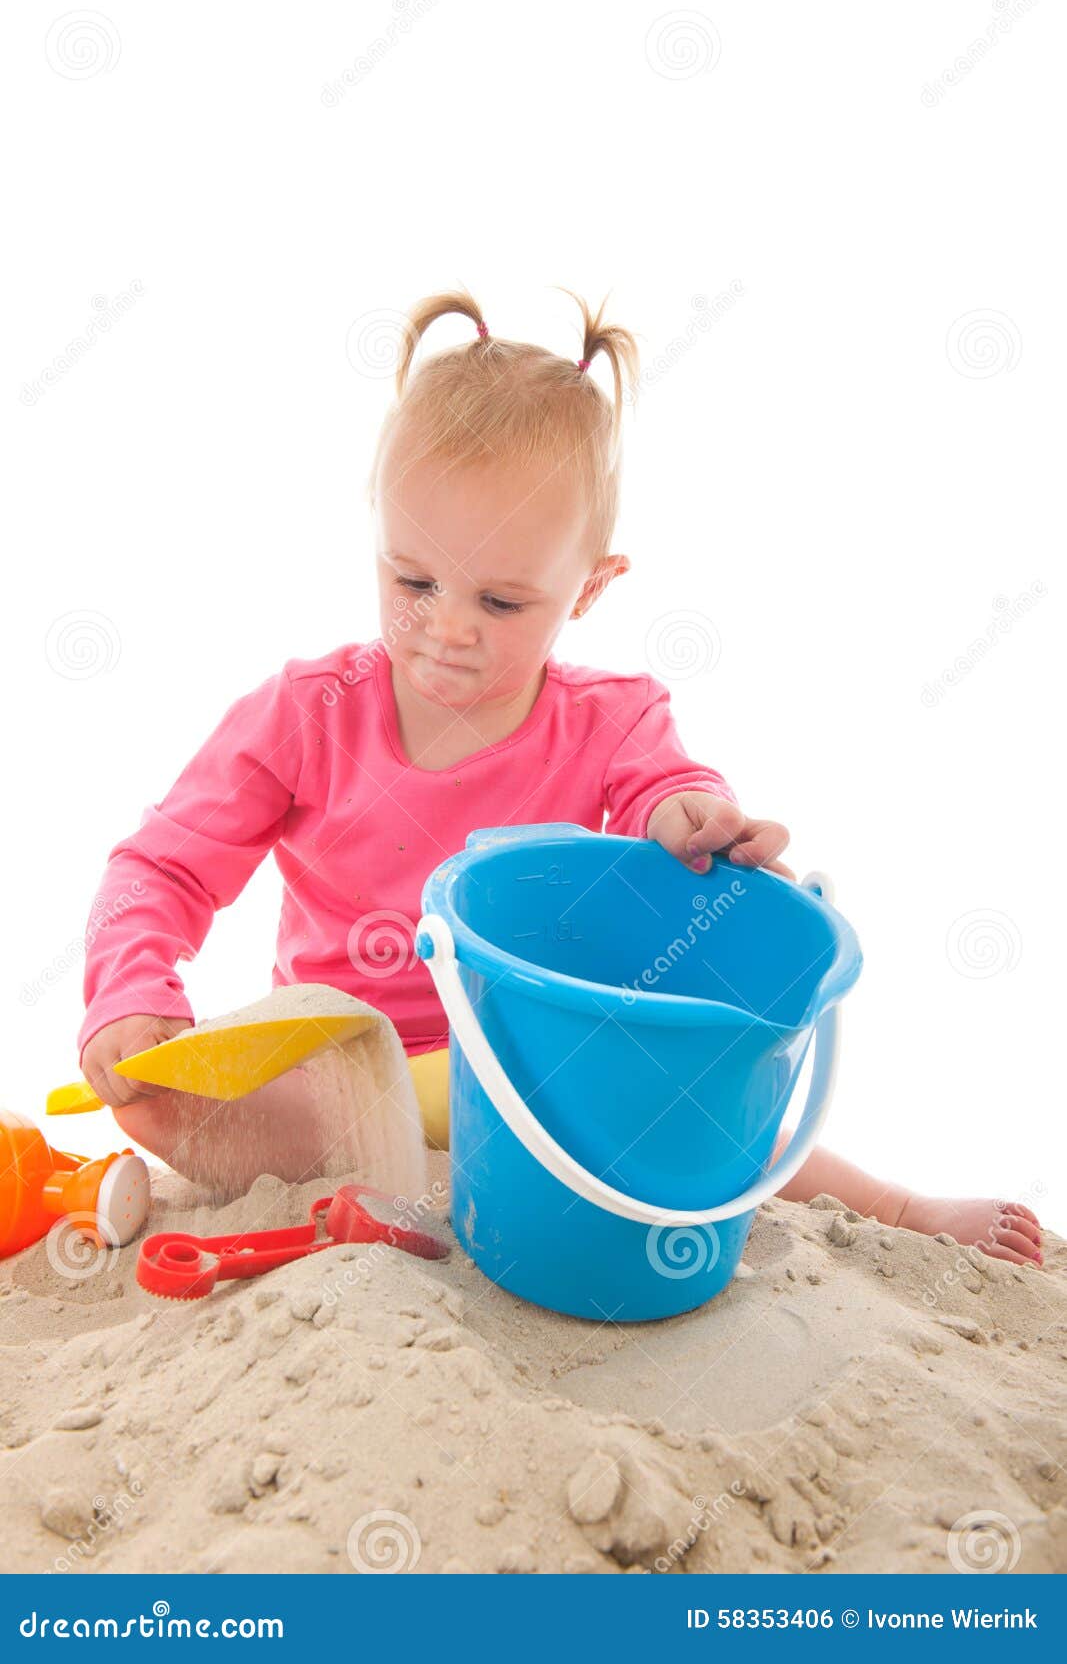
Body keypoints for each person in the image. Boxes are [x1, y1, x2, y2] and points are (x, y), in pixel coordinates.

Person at [78, 286, 1042, 1268]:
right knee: (148, 1093)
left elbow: (666, 791)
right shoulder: (305, 712)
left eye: (500, 602)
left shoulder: (611, 717)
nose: (446, 627)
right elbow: (161, 865)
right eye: (413, 581)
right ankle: (425, 1173)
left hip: (533, 1057)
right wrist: (131, 991)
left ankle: (896, 1204)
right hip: (341, 1071)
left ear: (588, 587)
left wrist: (695, 820)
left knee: (696, 1100)